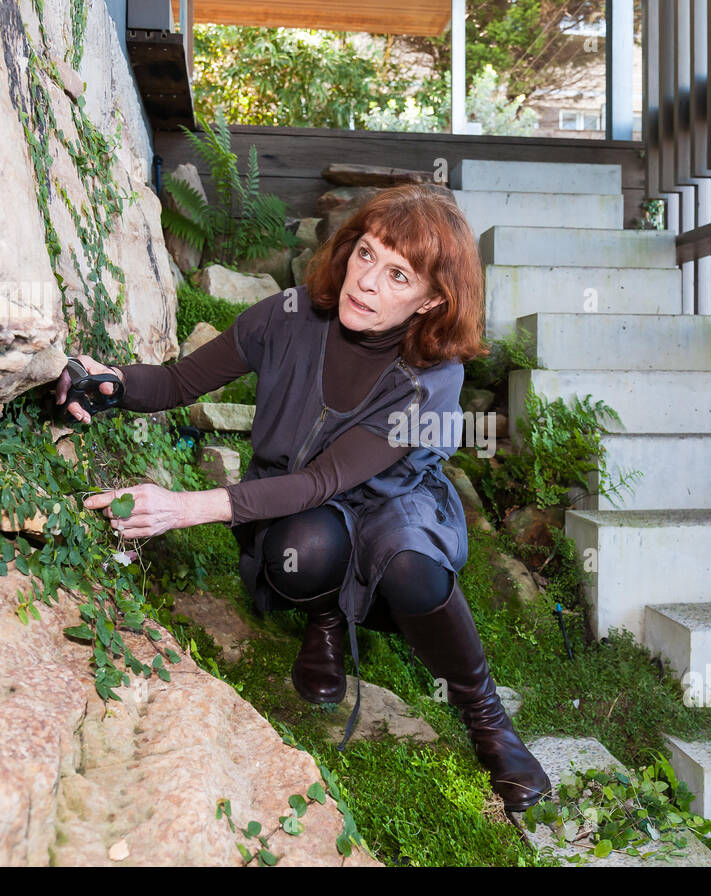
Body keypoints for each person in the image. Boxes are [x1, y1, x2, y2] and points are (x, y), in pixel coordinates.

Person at [54, 184, 551, 813]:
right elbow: (180, 381)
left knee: (412, 569)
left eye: (397, 275)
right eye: (366, 254)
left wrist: (180, 508)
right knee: (302, 548)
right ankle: (326, 619)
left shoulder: (432, 380)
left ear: (431, 300)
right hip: (302, 494)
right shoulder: (288, 315)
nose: (365, 282)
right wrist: (114, 383)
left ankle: (486, 716)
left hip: (390, 498)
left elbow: (325, 480)